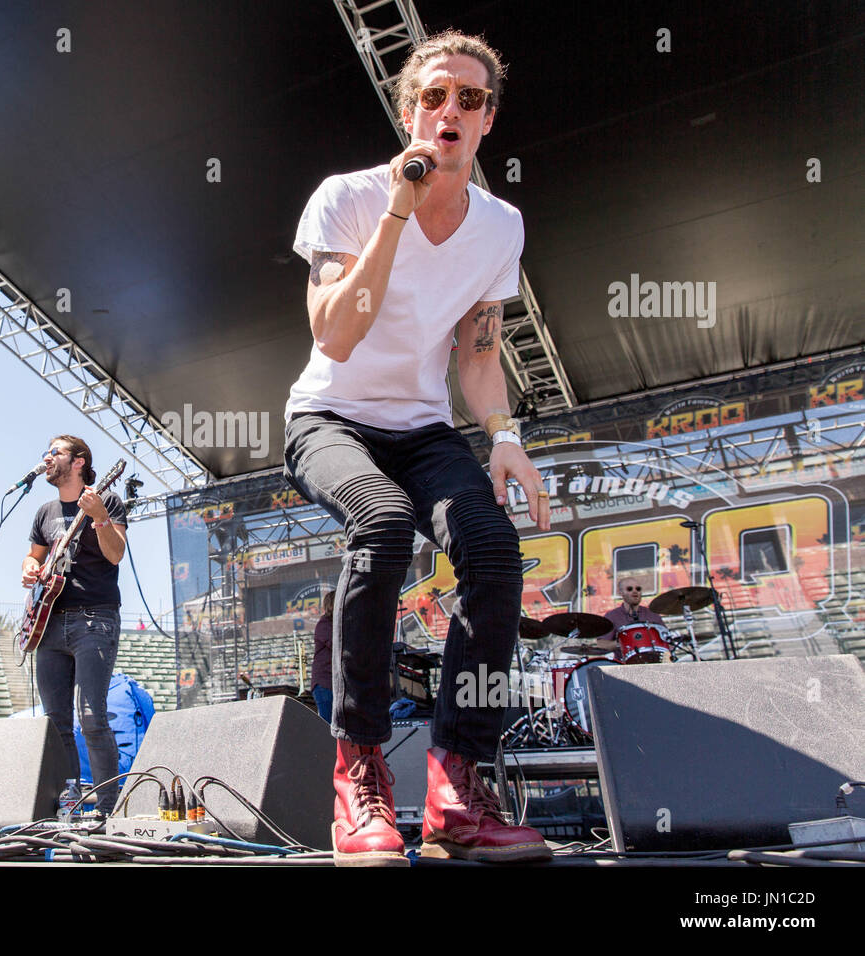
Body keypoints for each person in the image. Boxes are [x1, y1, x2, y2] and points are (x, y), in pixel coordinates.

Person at [283, 30, 552, 865]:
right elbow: (335, 335)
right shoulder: (349, 197)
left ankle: (455, 787)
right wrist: (400, 209)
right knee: (385, 522)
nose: (450, 110)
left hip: (423, 428)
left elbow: (477, 351)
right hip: (330, 418)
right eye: (434, 96)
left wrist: (503, 436)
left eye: (468, 100)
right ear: (409, 112)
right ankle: (358, 773)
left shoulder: (500, 227)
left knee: (495, 553)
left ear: (487, 121)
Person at [21, 435, 128, 814]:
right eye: (46, 452)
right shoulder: (44, 511)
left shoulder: (108, 500)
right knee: (56, 722)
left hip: (93, 618)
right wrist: (31, 569)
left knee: (91, 716)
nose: (48, 458)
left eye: (56, 453)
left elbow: (115, 556)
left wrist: (99, 516)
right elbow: (31, 559)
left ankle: (109, 807)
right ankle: (69, 803)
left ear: (79, 462)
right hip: (48, 623)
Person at [311, 590, 335, 722]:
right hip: (325, 683)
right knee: (327, 726)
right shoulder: (324, 624)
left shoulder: (335, 624)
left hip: (332, 683)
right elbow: (337, 645)